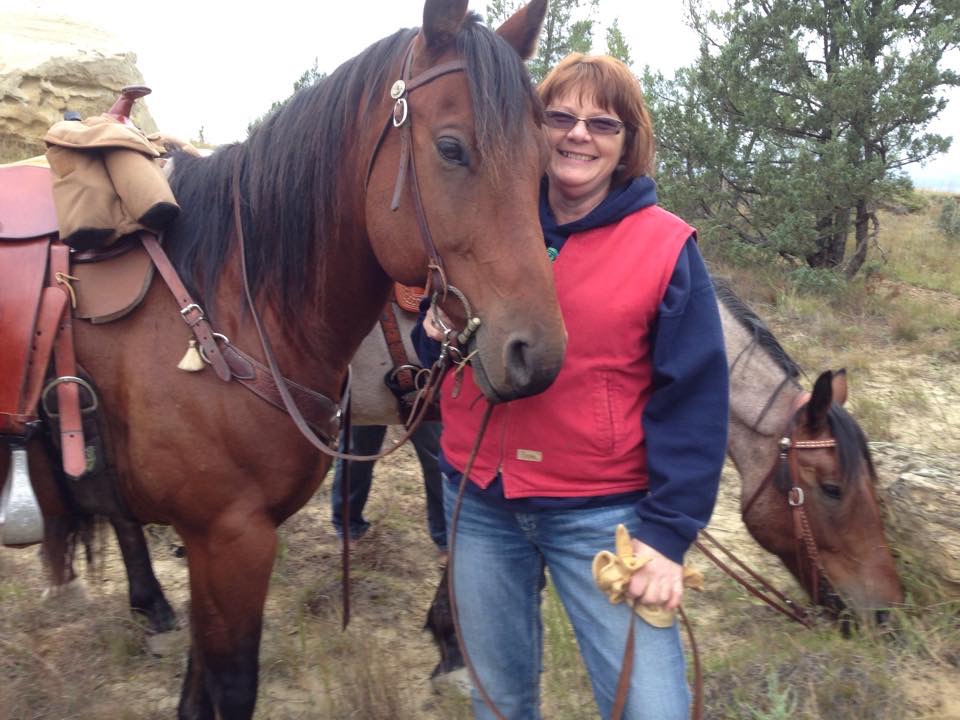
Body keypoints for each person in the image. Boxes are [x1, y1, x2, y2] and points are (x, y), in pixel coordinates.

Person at [412, 53, 729, 720]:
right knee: (497, 700)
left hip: (603, 517)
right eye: (560, 117)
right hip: (478, 500)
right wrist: (433, 330)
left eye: (602, 123)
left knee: (653, 709)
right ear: (534, 130)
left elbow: (694, 401)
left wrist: (668, 539)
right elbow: (431, 345)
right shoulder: (485, 222)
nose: (578, 134)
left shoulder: (666, 246)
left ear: (627, 144)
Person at [330, 422, 447, 559]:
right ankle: (348, 526)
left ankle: (447, 536)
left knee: (437, 457)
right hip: (368, 401)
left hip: (420, 401)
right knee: (356, 454)